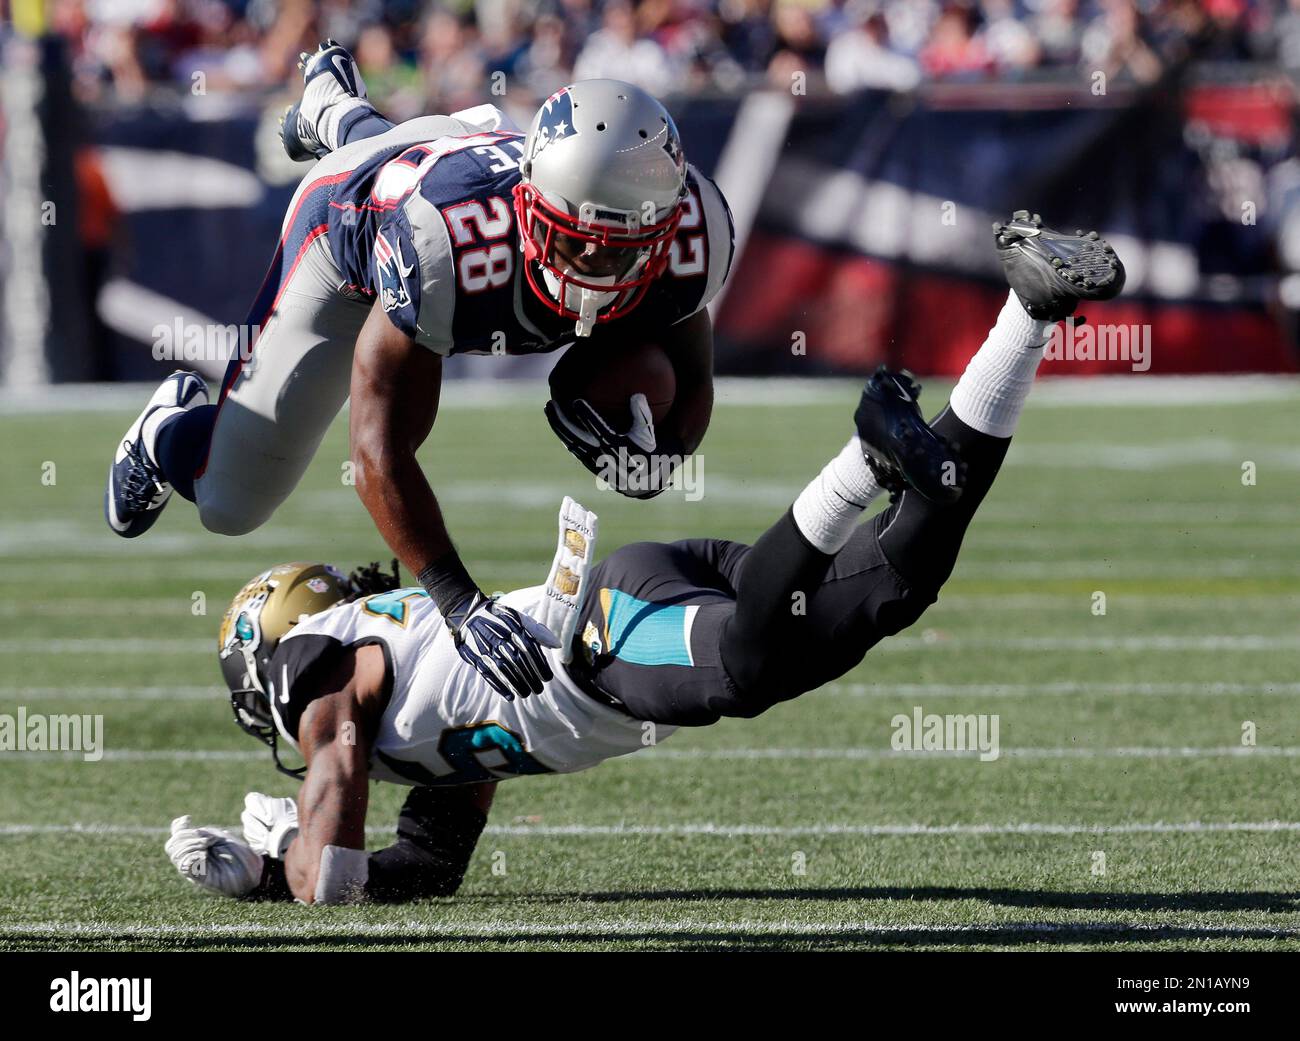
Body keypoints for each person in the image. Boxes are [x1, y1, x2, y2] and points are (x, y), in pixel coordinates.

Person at [163, 214, 1125, 905]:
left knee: (750, 667)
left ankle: (866, 454)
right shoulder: (402, 701)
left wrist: (277, 854)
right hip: (620, 611)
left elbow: (327, 882)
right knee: (893, 585)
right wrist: (265, 871)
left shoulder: (317, 672)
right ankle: (1027, 314)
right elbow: (418, 874)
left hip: (605, 640)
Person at [104, 41, 735, 705]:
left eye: (619, 250)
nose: (593, 267)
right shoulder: (443, 247)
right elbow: (379, 451)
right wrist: (459, 604)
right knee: (230, 503)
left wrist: (658, 463)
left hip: (454, 146)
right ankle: (166, 431)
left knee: (409, 155)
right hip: (351, 235)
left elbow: (691, 376)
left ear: (664, 226)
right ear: (532, 209)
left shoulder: (696, 232)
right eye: (575, 239)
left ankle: (334, 109)